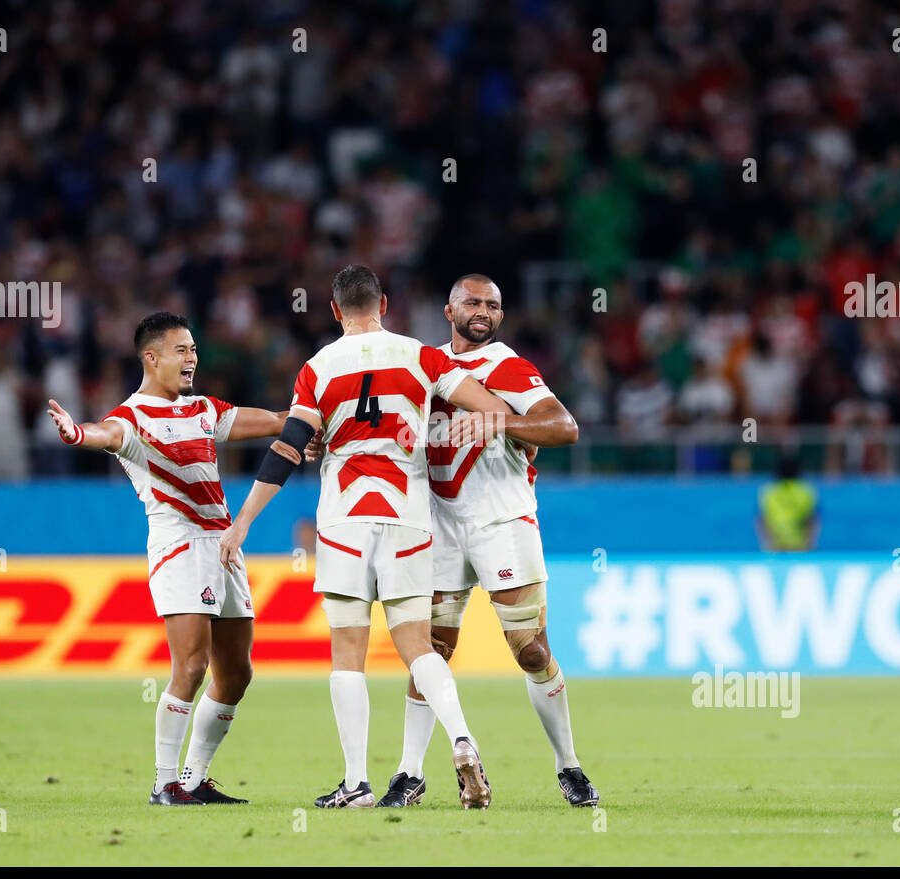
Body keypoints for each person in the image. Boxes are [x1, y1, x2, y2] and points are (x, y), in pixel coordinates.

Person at [217, 265, 525, 809]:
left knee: (347, 652)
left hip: (345, 518)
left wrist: (243, 522)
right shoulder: (423, 356)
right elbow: (496, 412)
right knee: (417, 645)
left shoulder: (317, 367)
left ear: (335, 311)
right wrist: (440, 430)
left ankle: (356, 782)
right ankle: (461, 738)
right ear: (383, 304)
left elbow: (289, 447)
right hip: (409, 513)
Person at [47, 311, 311, 806]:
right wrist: (76, 434)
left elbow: (276, 421)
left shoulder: (202, 410)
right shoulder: (131, 418)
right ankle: (163, 783)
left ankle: (193, 779)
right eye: (181, 351)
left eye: (193, 350)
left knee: (236, 673)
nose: (192, 359)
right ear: (151, 357)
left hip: (224, 545)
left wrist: (308, 424)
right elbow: (102, 434)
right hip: (180, 545)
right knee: (190, 667)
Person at [376, 273, 598, 809]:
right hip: (437, 526)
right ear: (448, 310)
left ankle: (568, 764)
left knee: (531, 652)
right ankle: (409, 774)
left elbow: (564, 428)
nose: (483, 310)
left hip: (501, 521)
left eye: (493, 304)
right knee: (430, 653)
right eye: (472, 302)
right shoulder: (420, 364)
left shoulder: (507, 366)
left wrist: (500, 422)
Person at [756, 452, 819, 552]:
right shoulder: (806, 491)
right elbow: (812, 521)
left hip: (776, 547)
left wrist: (768, 544)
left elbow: (762, 521)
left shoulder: (769, 491)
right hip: (799, 547)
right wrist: (808, 544)